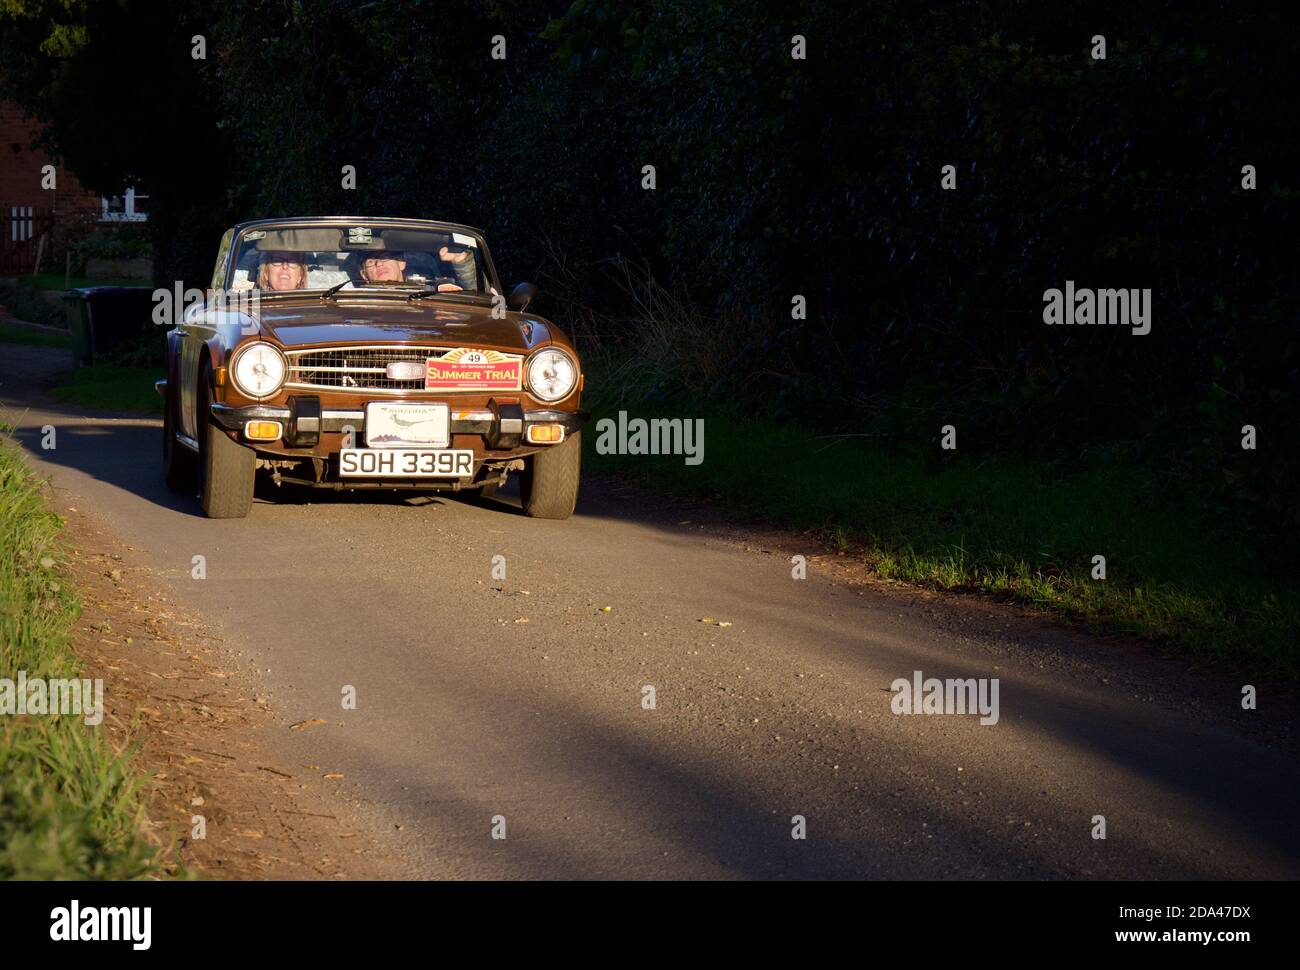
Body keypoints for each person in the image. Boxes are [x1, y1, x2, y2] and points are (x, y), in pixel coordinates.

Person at [356, 246, 476, 291]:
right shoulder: (351, 300)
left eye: (385, 257)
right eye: (371, 261)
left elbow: (474, 300)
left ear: (401, 263)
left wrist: (462, 263)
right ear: (364, 275)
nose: (379, 264)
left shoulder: (430, 293)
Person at [232, 250, 308, 291]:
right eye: (277, 260)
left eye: (292, 261)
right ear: (265, 273)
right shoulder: (250, 306)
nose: (285, 266)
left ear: (300, 276)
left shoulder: (313, 306)